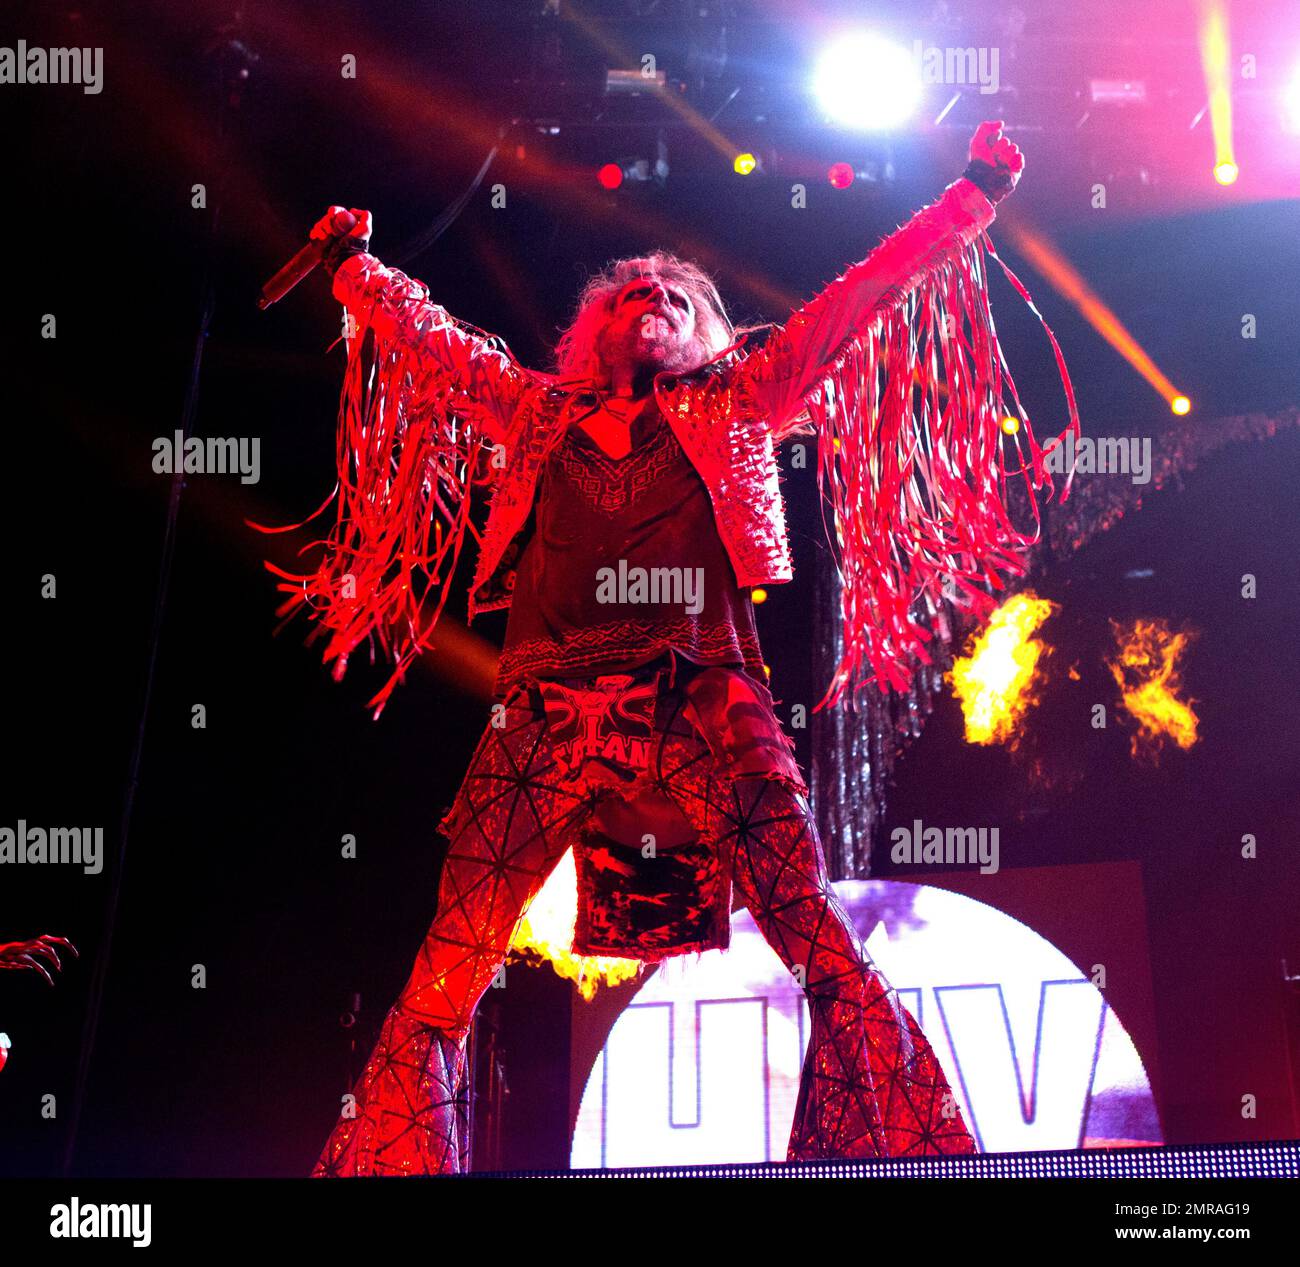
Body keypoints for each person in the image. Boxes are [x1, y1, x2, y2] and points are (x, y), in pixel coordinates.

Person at [278, 121, 1066, 1174]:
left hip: (705, 697)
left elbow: (856, 298)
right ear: (592, 329)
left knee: (814, 931)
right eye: (628, 296)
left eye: (673, 298)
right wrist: (355, 269)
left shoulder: (740, 397)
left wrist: (967, 199)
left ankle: (903, 1158)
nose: (650, 304)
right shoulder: (537, 411)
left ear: (702, 329)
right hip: (541, 711)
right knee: (445, 971)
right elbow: (437, 344)